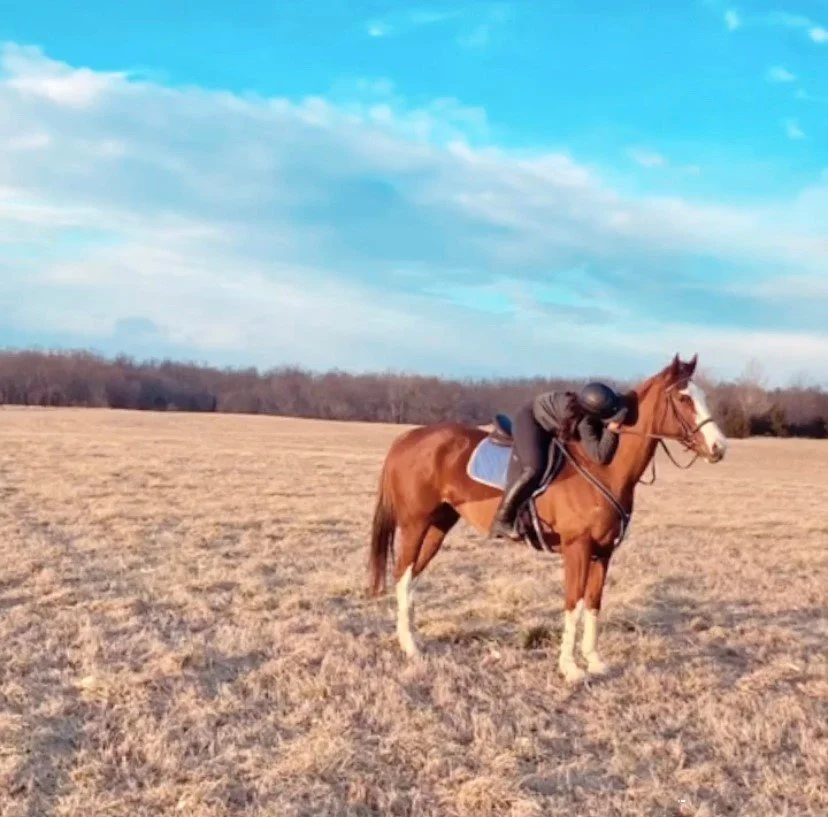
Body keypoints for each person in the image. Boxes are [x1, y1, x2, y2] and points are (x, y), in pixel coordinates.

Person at [489, 381, 628, 540]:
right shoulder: (584, 422)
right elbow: (600, 456)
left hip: (546, 417)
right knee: (533, 468)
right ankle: (502, 519)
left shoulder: (585, 407)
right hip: (529, 419)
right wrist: (611, 431)